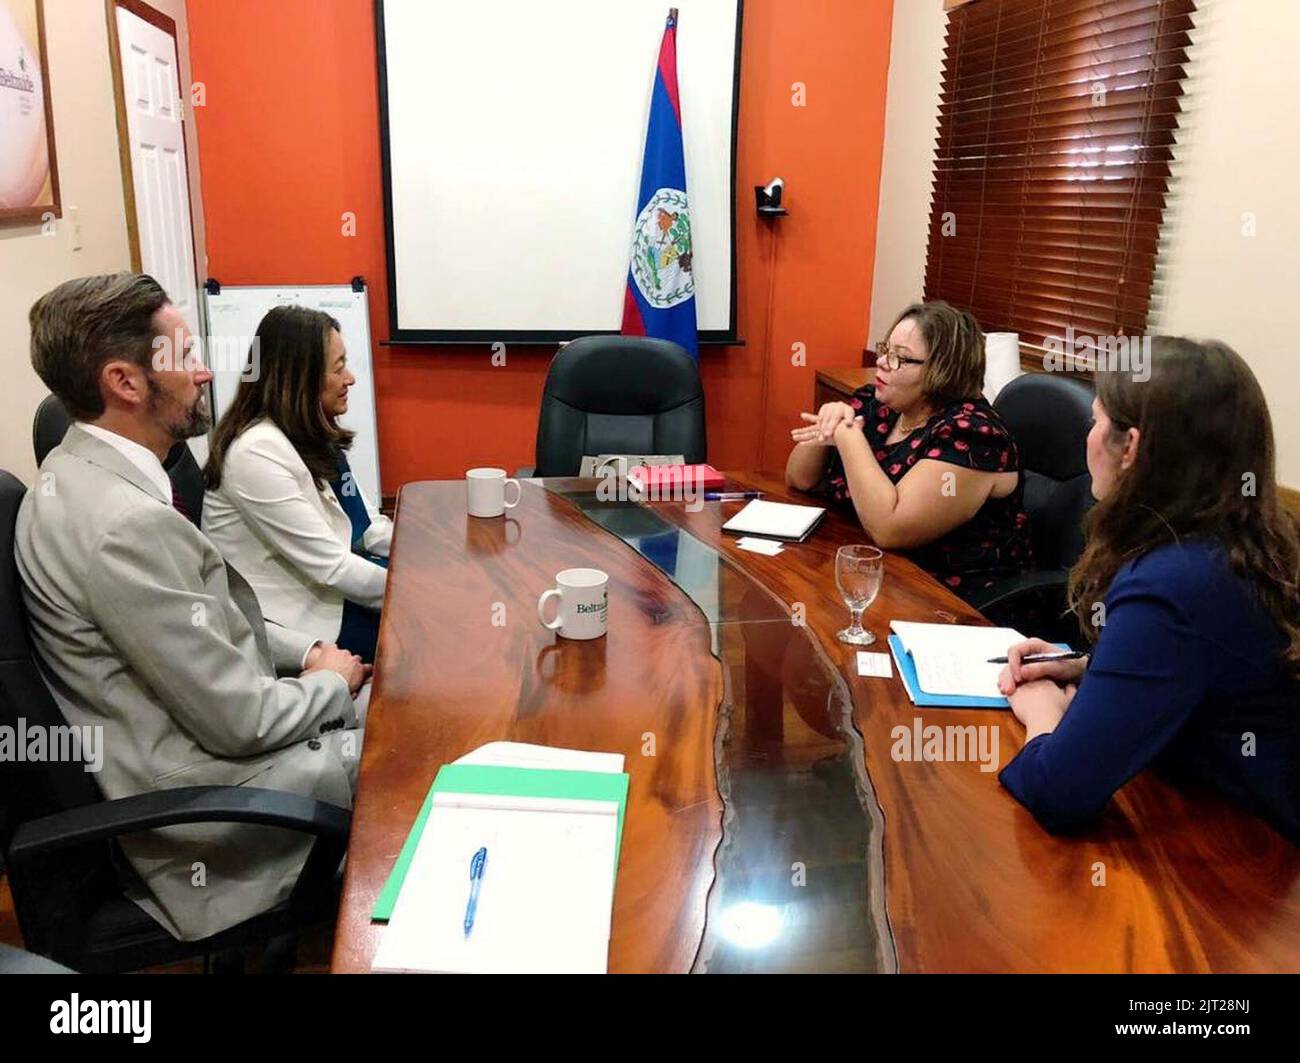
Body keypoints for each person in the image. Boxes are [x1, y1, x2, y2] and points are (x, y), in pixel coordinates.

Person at [17, 273, 368, 942]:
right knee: (417, 750)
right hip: (211, 811)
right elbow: (239, 722)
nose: (206, 370)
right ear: (125, 382)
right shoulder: (122, 526)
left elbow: (209, 620)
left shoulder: (84, 471)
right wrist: (329, 681)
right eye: (184, 356)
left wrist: (307, 656)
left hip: (208, 748)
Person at [998, 337, 1300, 845]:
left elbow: (1057, 792)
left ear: (1131, 446)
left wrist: (1043, 711)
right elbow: (1212, 668)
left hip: (1239, 865)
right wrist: (1088, 665)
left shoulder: (1171, 581)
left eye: (1095, 421)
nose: (1088, 438)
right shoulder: (1255, 538)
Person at [786, 300, 1031, 599]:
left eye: (900, 358)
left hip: (943, 601)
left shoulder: (973, 435)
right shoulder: (883, 404)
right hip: (867, 571)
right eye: (885, 349)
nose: (882, 362)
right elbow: (798, 478)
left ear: (944, 370)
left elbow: (889, 528)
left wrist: (848, 436)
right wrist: (830, 419)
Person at [203, 306, 391, 663]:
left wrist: (427, 555)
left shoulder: (310, 432)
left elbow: (365, 528)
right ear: (300, 378)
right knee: (438, 630)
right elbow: (332, 566)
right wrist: (419, 592)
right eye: (338, 368)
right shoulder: (256, 453)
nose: (350, 378)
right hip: (311, 621)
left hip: (338, 590)